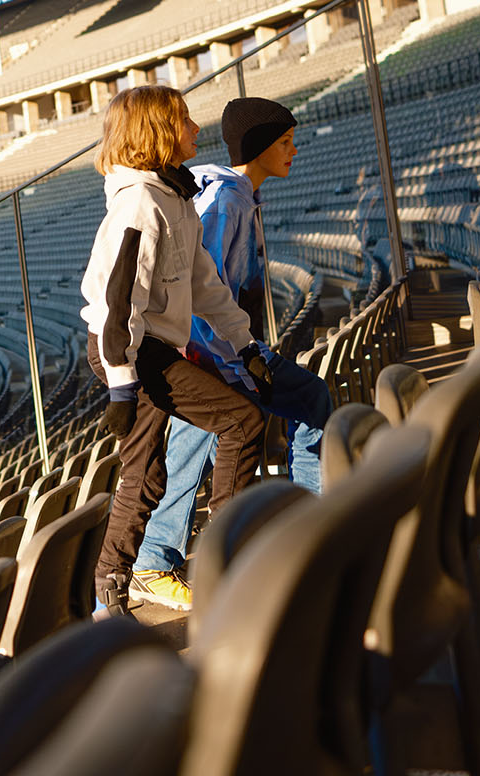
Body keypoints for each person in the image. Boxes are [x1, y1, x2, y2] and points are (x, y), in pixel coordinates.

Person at [129, 97, 336, 610]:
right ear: (260, 147)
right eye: (284, 143)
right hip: (210, 349)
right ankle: (301, 521)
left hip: (213, 348)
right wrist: (235, 361)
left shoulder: (232, 191)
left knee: (202, 438)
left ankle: (155, 558)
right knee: (304, 401)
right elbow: (204, 290)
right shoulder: (226, 199)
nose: (293, 151)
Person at [79, 84, 269, 616]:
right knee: (241, 422)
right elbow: (120, 301)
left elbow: (205, 284)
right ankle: (223, 562)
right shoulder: (139, 203)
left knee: (146, 471)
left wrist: (245, 345)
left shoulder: (174, 195)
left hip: (146, 346)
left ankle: (110, 589)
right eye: (184, 120)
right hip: (130, 349)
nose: (195, 129)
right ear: (158, 132)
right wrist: (121, 384)